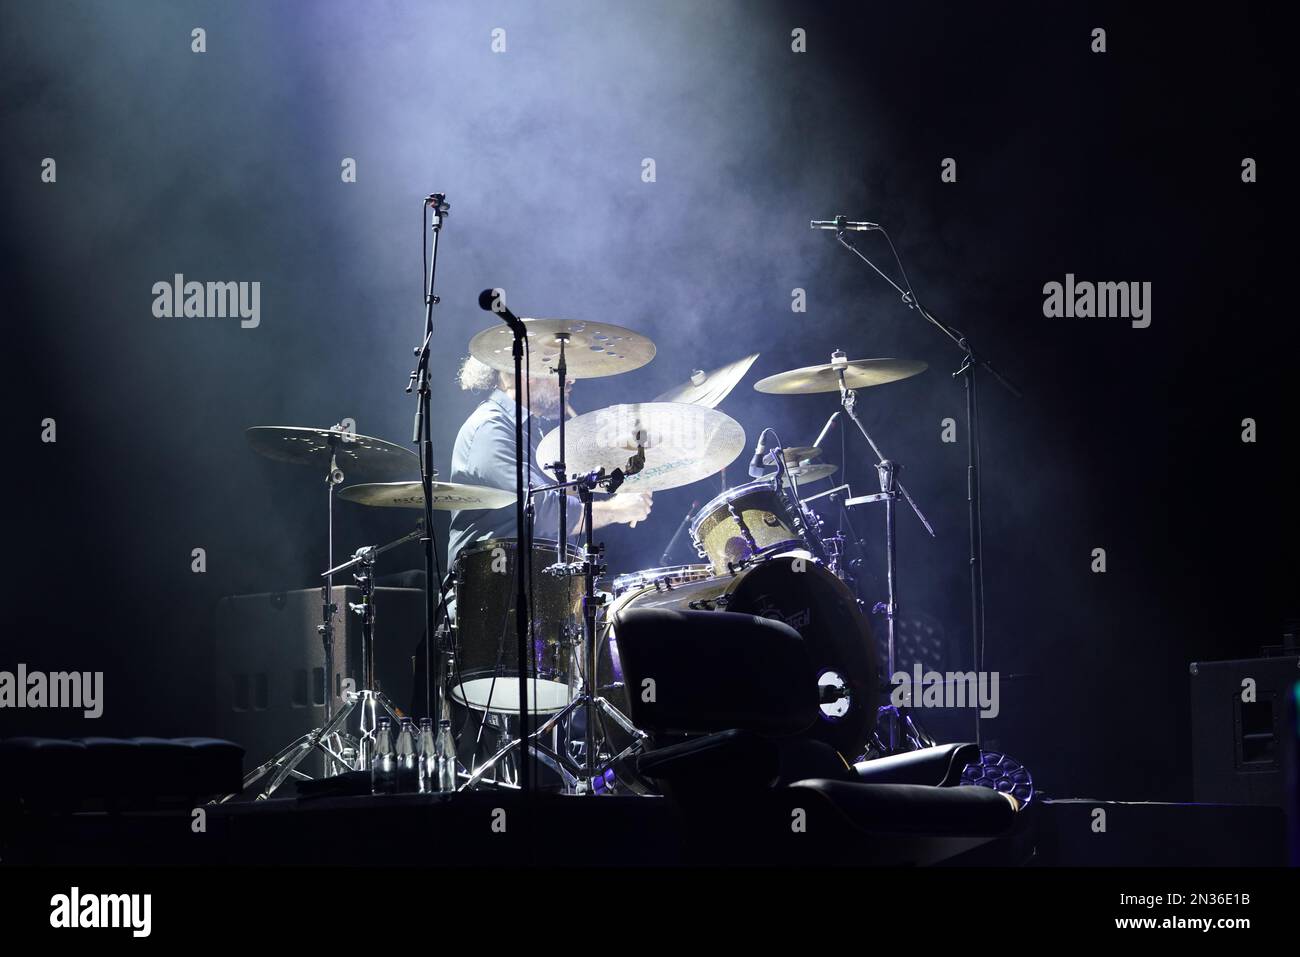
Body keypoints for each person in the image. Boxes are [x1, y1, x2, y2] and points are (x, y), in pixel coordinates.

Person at [447, 355, 652, 570]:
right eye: (559, 370)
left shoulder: (529, 430)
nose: (571, 379)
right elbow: (541, 510)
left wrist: (617, 467)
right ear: (526, 373)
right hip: (494, 581)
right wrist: (617, 509)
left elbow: (559, 494)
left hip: (537, 581)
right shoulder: (491, 429)